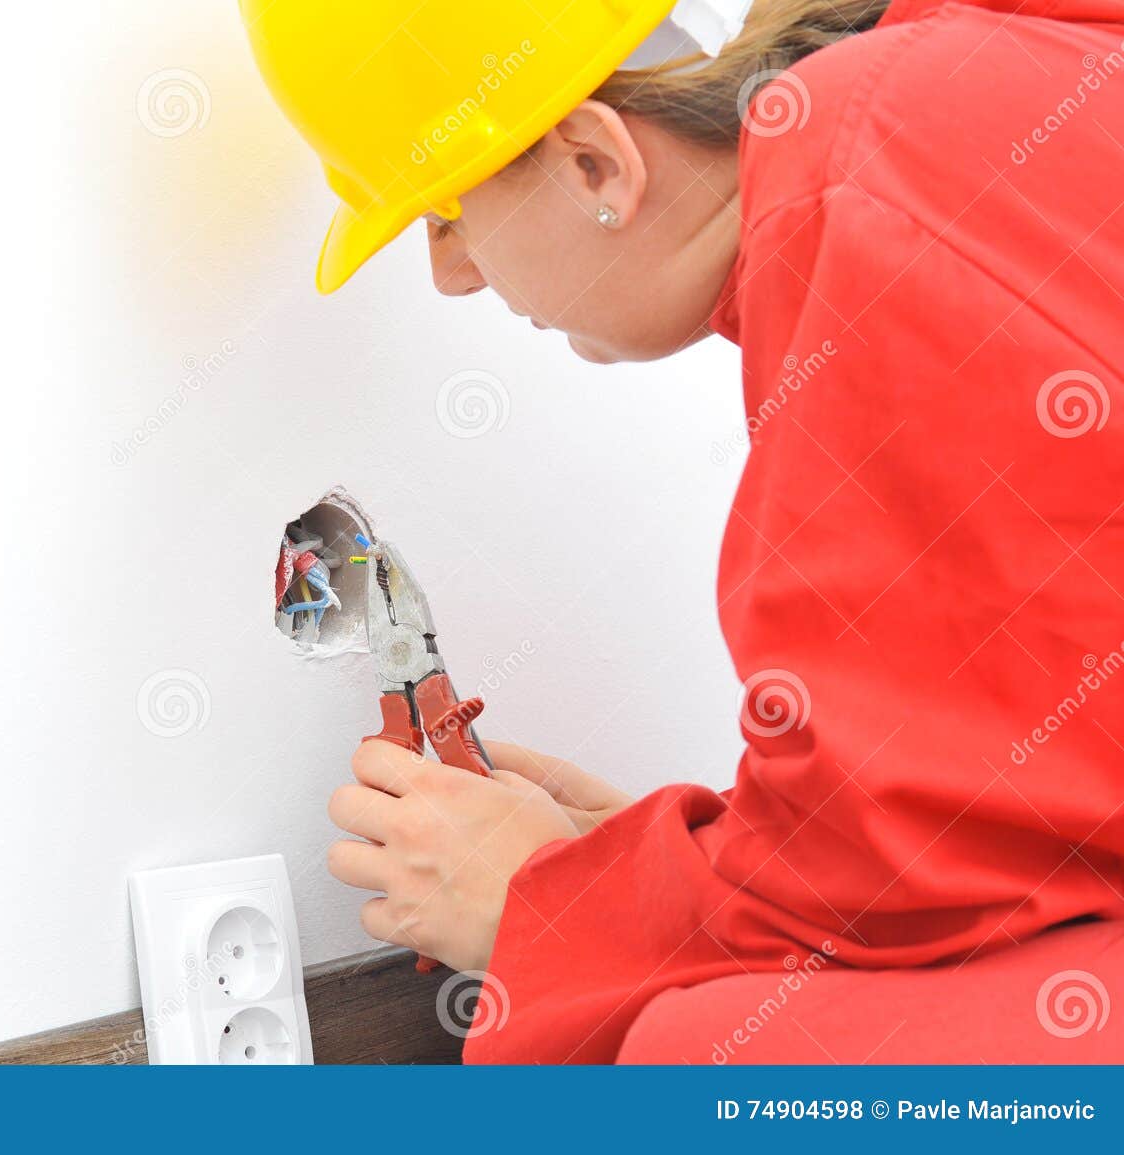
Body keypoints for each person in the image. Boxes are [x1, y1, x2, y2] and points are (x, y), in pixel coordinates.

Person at [240, 0, 1124, 1062]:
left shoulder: (873, 177)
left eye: (446, 213)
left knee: (711, 1061)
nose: (451, 272)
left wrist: (542, 908)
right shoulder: (959, 105)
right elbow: (1018, 819)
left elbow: (920, 882)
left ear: (593, 165)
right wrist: (648, 875)